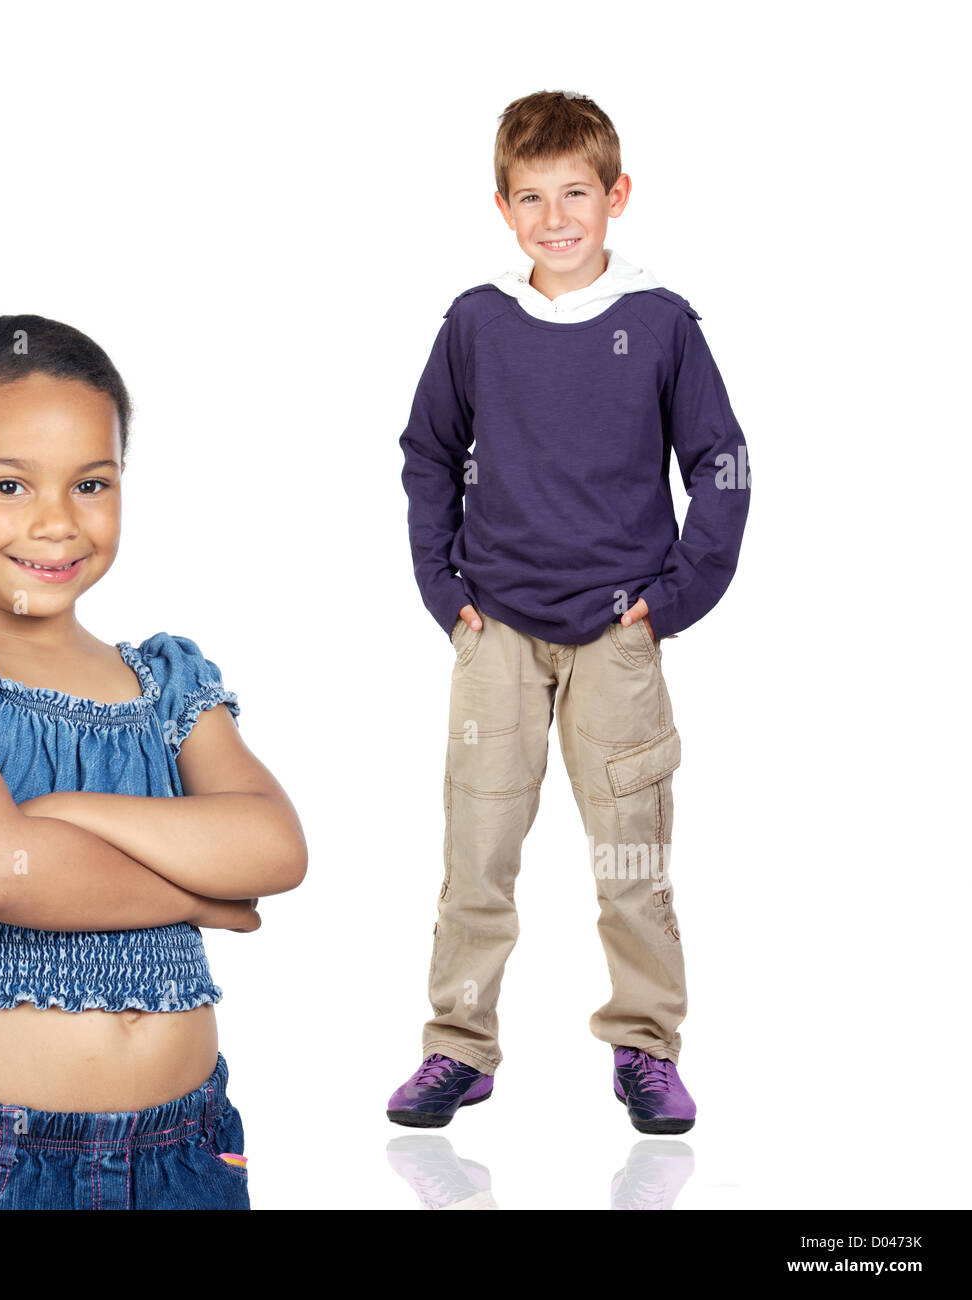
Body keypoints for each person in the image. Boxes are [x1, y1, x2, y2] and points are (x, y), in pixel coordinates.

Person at [0, 314, 306, 1209]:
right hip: (2, 1162)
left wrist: (57, 815)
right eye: (10, 484)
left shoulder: (166, 682)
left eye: (90, 482)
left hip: (189, 1152)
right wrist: (199, 895)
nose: (55, 522)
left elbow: (275, 848)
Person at [388, 91, 751, 1135]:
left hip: (616, 634)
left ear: (615, 196)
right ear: (502, 207)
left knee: (630, 854)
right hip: (494, 625)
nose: (556, 218)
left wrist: (672, 598)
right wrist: (442, 588)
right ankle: (459, 1045)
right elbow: (424, 454)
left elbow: (721, 465)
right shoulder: (477, 323)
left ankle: (644, 1043)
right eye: (532, 197)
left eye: (576, 194)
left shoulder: (660, 322)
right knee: (477, 851)